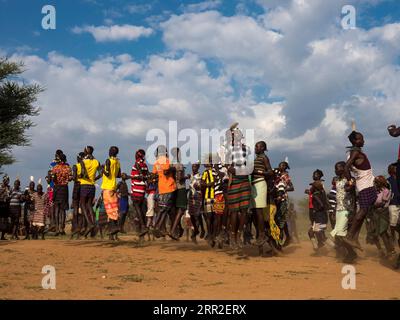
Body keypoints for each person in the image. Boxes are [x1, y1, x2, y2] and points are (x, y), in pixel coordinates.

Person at [343, 131, 377, 250]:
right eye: (361, 139)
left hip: (366, 184)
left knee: (365, 211)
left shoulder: (354, 151)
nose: (363, 141)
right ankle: (350, 236)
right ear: (354, 141)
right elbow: (346, 167)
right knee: (362, 210)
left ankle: (355, 238)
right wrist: (350, 181)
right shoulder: (355, 151)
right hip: (365, 185)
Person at [225, 123, 252, 249]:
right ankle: (232, 235)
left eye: (239, 134)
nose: (238, 136)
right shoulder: (229, 148)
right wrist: (230, 168)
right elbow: (226, 164)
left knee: (244, 211)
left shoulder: (246, 148)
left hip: (245, 180)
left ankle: (240, 234)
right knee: (235, 211)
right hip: (235, 180)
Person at [329, 161, 357, 262]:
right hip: (339, 209)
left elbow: (352, 194)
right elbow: (337, 196)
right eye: (335, 168)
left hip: (347, 209)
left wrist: (353, 211)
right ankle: (351, 253)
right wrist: (333, 210)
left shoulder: (351, 179)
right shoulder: (337, 180)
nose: (336, 170)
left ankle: (352, 254)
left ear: (344, 168)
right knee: (339, 234)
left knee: (341, 234)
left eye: (338, 168)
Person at [366, 176, 396, 258]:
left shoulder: (386, 191)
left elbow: (382, 203)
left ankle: (390, 251)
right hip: (374, 213)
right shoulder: (375, 191)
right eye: (375, 182)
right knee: (373, 232)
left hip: (382, 213)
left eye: (377, 182)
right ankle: (380, 250)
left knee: (383, 232)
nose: (375, 183)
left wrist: (372, 205)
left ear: (381, 182)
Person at [251, 141, 273, 249]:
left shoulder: (264, 157)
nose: (255, 148)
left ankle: (262, 235)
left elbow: (270, 172)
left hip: (260, 183)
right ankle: (260, 234)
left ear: (263, 148)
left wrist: (258, 172)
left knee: (259, 211)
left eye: (257, 146)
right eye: (255, 146)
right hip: (254, 185)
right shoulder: (256, 159)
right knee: (255, 212)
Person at [152, 145, 176, 238]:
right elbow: (166, 171)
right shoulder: (166, 160)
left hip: (161, 188)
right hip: (169, 187)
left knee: (163, 209)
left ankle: (156, 226)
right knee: (164, 209)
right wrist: (172, 168)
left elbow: (154, 175)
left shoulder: (156, 163)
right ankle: (156, 227)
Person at [79, 146, 101, 238]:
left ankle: (89, 223)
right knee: (89, 205)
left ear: (86, 152)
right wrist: (94, 179)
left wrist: (81, 176)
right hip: (92, 186)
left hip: (84, 185)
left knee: (83, 205)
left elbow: (83, 173)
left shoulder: (83, 161)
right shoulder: (96, 161)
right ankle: (93, 223)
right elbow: (101, 173)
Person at [101, 146, 122, 241]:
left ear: (110, 152)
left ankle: (115, 227)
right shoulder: (117, 162)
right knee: (114, 209)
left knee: (110, 211)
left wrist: (102, 169)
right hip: (113, 187)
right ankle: (112, 234)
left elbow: (107, 173)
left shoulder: (108, 161)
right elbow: (118, 175)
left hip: (107, 188)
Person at [169, 147, 189, 240]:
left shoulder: (171, 164)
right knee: (181, 209)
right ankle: (173, 230)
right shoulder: (179, 164)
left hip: (173, 189)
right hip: (180, 188)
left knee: (175, 211)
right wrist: (187, 177)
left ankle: (177, 229)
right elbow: (180, 178)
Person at [274, 161, 294, 247]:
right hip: (276, 198)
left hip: (282, 199)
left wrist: (283, 190)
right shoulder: (277, 174)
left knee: (280, 220)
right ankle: (287, 237)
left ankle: (280, 242)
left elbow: (292, 188)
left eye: (282, 165)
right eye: (279, 165)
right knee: (280, 220)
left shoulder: (285, 176)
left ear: (285, 167)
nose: (280, 166)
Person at [51, 153, 72, 236]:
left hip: (56, 188)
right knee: (63, 210)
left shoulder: (55, 168)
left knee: (57, 209)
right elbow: (70, 179)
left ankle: (56, 229)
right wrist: (65, 178)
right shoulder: (67, 167)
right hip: (64, 188)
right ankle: (61, 229)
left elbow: (53, 179)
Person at [129, 149, 148, 237]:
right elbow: (146, 176)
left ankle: (143, 227)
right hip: (143, 190)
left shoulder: (136, 165)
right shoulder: (145, 165)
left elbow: (140, 176)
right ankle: (141, 234)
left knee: (138, 209)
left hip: (136, 190)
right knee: (140, 210)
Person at [70, 152, 86, 240]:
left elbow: (74, 178)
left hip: (77, 188)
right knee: (82, 212)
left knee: (75, 212)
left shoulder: (76, 166)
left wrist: (72, 177)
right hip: (84, 188)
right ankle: (78, 232)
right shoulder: (85, 166)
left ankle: (75, 231)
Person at [188, 162, 203, 243]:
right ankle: (196, 230)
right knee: (191, 215)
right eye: (192, 166)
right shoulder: (190, 176)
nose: (193, 168)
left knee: (197, 215)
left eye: (195, 167)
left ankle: (195, 233)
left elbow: (201, 186)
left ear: (198, 168)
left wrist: (199, 187)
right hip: (191, 197)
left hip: (198, 197)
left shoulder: (200, 176)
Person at [387, 163, 400, 248]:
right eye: (395, 168)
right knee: (393, 223)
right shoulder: (388, 180)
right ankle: (392, 235)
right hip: (393, 203)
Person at [0, 175, 11, 240]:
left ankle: (2, 236)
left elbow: (10, 195)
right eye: (5, 180)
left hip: (6, 205)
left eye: (7, 180)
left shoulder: (9, 187)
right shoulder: (0, 186)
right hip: (0, 204)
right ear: (3, 180)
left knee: (5, 220)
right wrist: (4, 189)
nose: (6, 181)